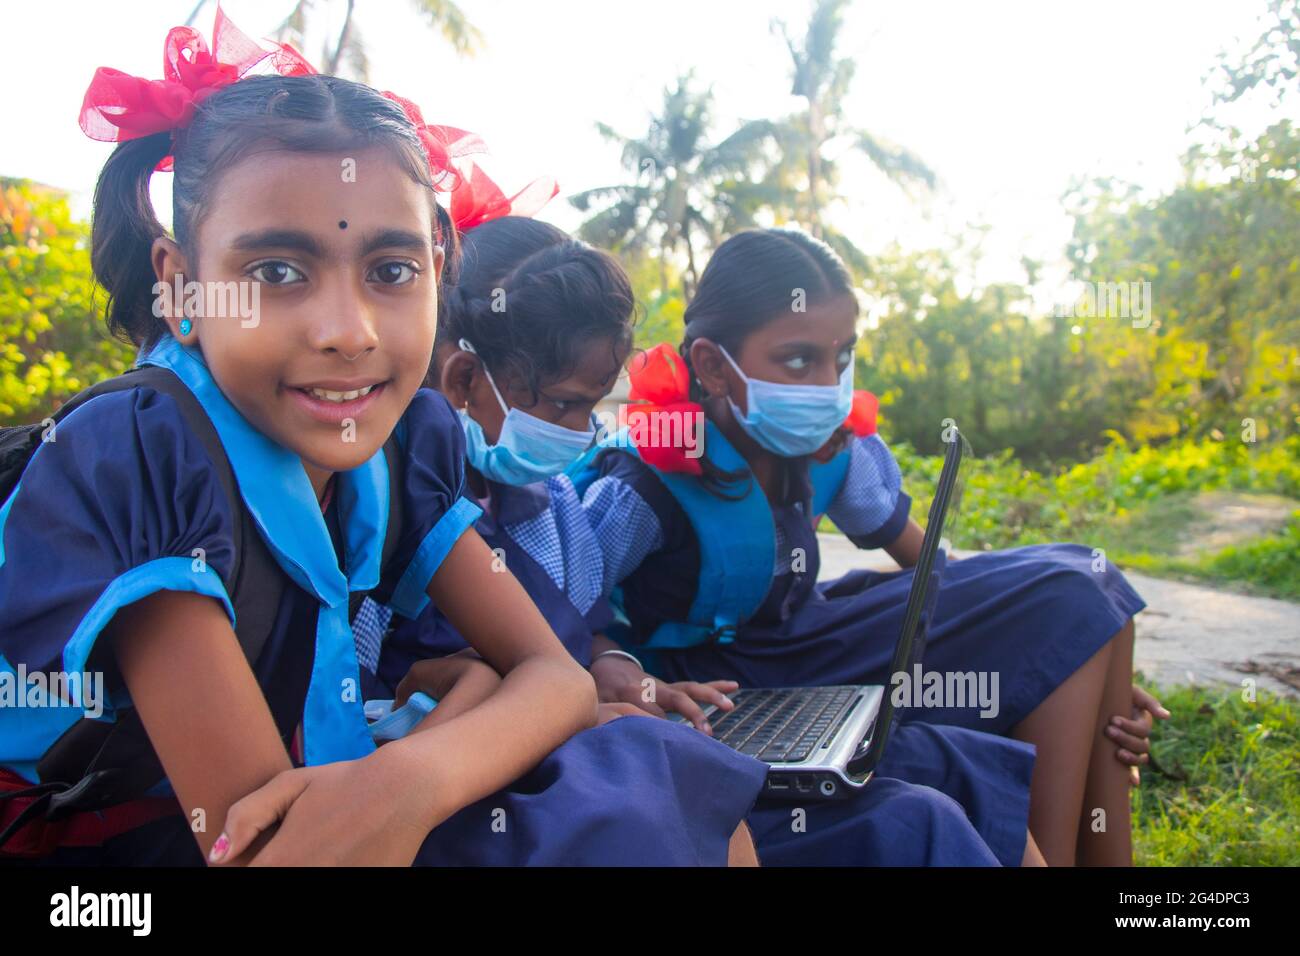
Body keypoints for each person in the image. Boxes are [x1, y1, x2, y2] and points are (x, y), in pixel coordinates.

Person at [0, 13, 595, 865]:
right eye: (277, 272)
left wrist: (415, 775)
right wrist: (469, 703)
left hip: (311, 789)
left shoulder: (404, 441)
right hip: (105, 833)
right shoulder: (139, 458)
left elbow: (559, 680)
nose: (348, 332)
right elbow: (264, 844)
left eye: (392, 272)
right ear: (181, 287)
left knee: (657, 774)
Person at [579, 228, 1162, 865]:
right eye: (799, 360)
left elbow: (935, 573)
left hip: (802, 644)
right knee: (1071, 598)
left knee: (1081, 584)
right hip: (713, 687)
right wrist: (627, 674)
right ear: (715, 365)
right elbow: (568, 618)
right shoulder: (647, 484)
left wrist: (1068, 653)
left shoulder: (835, 454)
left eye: (841, 357)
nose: (830, 385)